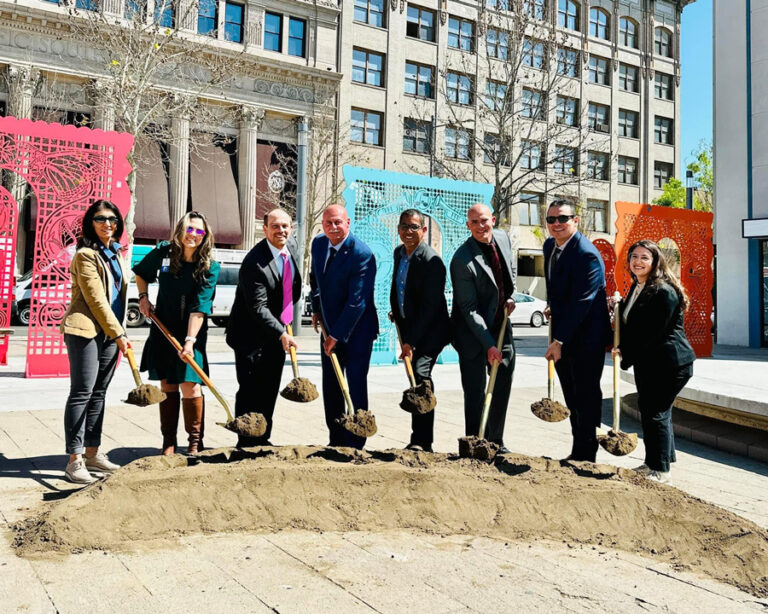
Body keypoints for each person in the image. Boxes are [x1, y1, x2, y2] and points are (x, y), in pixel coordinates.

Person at [134, 211, 220, 455]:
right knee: (168, 384)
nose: (193, 235)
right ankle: (168, 442)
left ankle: (194, 442)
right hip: (163, 329)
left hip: (191, 333)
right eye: (190, 229)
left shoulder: (210, 267)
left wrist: (190, 341)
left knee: (191, 385)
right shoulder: (164, 253)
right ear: (181, 229)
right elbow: (141, 272)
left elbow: (200, 308)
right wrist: (143, 298)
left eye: (199, 231)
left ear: (205, 236)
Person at [60, 200, 131, 484]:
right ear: (91, 223)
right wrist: (120, 333)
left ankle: (92, 453)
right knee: (82, 392)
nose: (107, 224)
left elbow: (121, 297)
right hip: (85, 331)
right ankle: (74, 460)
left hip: (110, 334)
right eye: (101, 219)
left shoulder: (117, 255)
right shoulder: (85, 255)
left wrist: (117, 332)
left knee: (99, 394)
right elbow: (96, 299)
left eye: (112, 219)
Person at [614, 240, 695, 483]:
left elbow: (651, 333)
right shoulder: (638, 286)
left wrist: (624, 353)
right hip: (651, 362)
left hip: (669, 363)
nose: (638, 261)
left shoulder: (662, 291)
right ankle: (655, 462)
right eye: (634, 257)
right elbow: (634, 322)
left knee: (655, 413)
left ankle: (660, 471)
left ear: (655, 262)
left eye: (644, 258)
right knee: (655, 412)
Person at [226, 208, 302, 447]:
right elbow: (257, 308)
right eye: (276, 226)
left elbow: (292, 289)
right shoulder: (254, 262)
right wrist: (281, 331)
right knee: (250, 390)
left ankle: (263, 438)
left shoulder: (290, 251)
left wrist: (283, 324)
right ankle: (246, 441)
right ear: (265, 228)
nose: (281, 230)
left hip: (274, 337)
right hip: (250, 338)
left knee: (269, 389)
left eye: (285, 226)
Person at [543, 199, 611, 462]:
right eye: (551, 220)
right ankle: (578, 449)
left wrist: (559, 340)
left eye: (563, 219)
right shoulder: (550, 245)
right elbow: (557, 286)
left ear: (576, 220)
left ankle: (587, 454)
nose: (557, 224)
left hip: (587, 339)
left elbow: (583, 302)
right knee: (571, 394)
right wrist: (552, 305)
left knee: (586, 394)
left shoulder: (587, 254)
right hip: (563, 332)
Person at [310, 204, 378, 449]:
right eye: (328, 223)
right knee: (331, 384)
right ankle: (336, 437)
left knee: (355, 383)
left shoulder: (362, 254)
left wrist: (336, 335)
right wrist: (316, 309)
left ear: (348, 223)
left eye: (338, 222)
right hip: (329, 327)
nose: (333, 227)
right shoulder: (318, 244)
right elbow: (315, 279)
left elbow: (356, 302)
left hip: (358, 331)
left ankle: (356, 440)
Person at [450, 203, 516, 452]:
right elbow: (469, 309)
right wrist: (488, 344)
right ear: (468, 226)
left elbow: (510, 268)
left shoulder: (502, 238)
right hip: (471, 332)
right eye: (474, 222)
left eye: (484, 221)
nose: (480, 226)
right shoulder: (461, 259)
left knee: (501, 382)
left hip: (501, 324)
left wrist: (511, 295)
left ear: (494, 220)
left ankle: (496, 441)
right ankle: (475, 442)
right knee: (476, 390)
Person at [389, 208, 451, 452]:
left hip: (432, 330)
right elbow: (399, 288)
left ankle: (423, 441)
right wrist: (398, 311)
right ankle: (419, 438)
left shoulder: (432, 261)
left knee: (420, 375)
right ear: (398, 229)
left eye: (414, 227)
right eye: (404, 226)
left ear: (424, 231)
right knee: (414, 376)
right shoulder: (398, 254)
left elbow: (429, 306)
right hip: (411, 328)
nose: (409, 231)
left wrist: (410, 343)